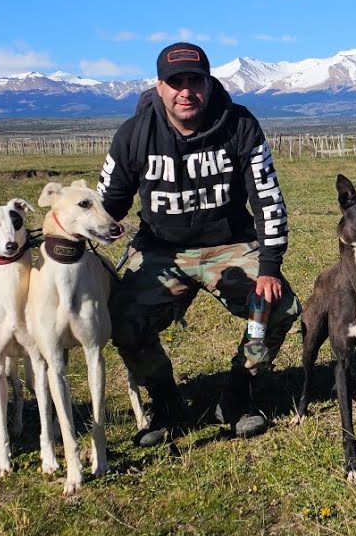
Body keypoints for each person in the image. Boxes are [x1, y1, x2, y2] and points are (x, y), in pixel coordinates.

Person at [99, 42, 300, 445]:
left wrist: (270, 266)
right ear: (160, 86)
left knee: (276, 307)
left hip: (229, 244)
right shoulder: (134, 135)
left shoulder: (239, 125)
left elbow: (267, 197)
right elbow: (107, 207)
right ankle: (166, 402)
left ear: (209, 84)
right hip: (160, 250)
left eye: (195, 80)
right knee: (121, 320)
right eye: (176, 82)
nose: (186, 90)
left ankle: (239, 394)